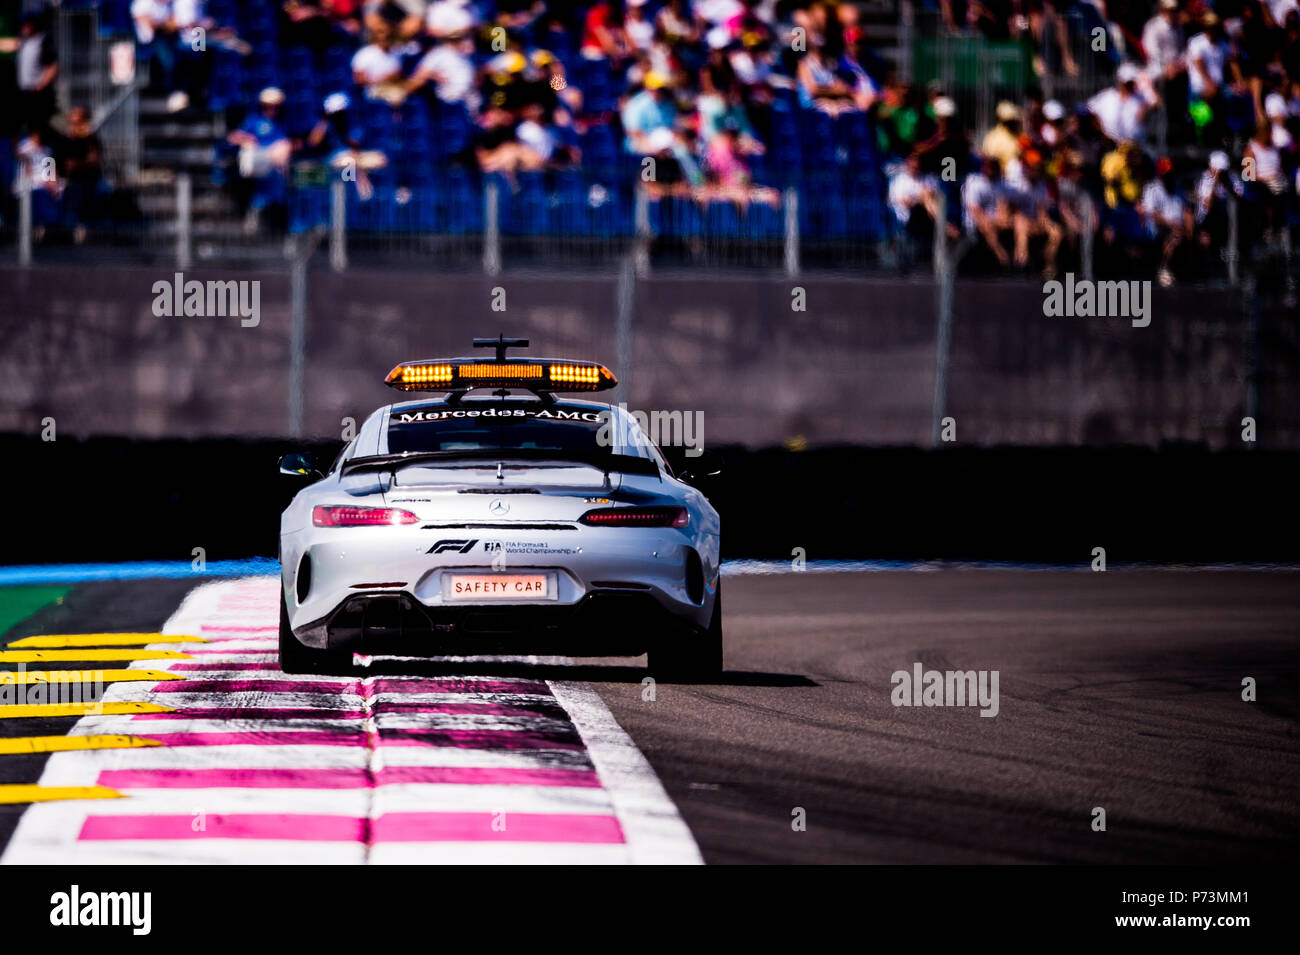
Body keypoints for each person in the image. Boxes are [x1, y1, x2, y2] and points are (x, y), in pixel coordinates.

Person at [227, 87, 292, 232]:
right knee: (260, 192)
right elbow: (233, 137)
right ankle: (255, 218)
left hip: (278, 168)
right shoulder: (254, 121)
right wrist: (249, 139)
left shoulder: (283, 123)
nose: (272, 109)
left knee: (278, 187)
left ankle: (278, 223)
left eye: (276, 105)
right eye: (269, 105)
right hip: (259, 163)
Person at [1138, 156, 1192, 286]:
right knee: (1174, 238)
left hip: (1178, 228)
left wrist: (1189, 230)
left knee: (1189, 237)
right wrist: (1172, 225)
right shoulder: (1152, 188)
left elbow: (1187, 211)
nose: (1169, 176)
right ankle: (1164, 268)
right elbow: (1152, 214)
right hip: (1159, 230)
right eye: (1166, 174)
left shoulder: (1178, 189)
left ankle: (1184, 274)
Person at [54, 106, 104, 242]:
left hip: (87, 181)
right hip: (65, 181)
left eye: (81, 121)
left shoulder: (91, 140)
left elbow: (95, 161)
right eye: (75, 122)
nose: (77, 125)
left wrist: (78, 164)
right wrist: (52, 181)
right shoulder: (62, 139)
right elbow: (53, 161)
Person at [1087, 63, 1157, 144]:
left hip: (1134, 146)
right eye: (1126, 83)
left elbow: (1156, 103)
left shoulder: (1140, 97)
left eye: (1131, 82)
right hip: (1110, 145)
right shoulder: (1108, 97)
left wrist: (1145, 109)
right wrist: (1101, 131)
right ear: (1120, 81)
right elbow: (1089, 110)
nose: (1129, 86)